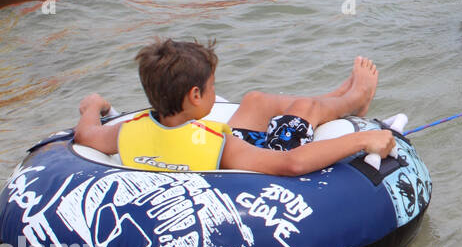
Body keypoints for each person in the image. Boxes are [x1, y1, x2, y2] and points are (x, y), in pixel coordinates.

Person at [73, 41, 395, 175]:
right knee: (303, 108)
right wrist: (362, 140)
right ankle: (354, 101)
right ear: (196, 95)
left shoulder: (128, 132)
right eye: (212, 86)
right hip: (254, 163)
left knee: (255, 100)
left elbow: (86, 136)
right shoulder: (216, 142)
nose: (216, 93)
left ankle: (336, 97)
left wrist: (92, 106)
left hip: (191, 153)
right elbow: (292, 163)